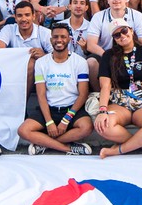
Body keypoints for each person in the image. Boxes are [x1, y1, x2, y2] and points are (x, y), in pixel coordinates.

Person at [8, 24, 95, 158]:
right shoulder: (41, 62)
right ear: (50, 40)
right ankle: (67, 148)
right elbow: (41, 95)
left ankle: (44, 143)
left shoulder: (80, 62)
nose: (59, 40)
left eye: (63, 37)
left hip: (71, 109)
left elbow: (83, 94)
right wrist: (49, 122)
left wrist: (66, 119)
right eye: (55, 37)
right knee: (23, 130)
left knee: (87, 127)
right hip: (49, 109)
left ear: (69, 39)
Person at [94, 18, 142, 158]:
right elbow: (105, 85)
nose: (122, 36)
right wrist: (103, 109)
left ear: (131, 31)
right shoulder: (108, 55)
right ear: (114, 39)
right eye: (117, 35)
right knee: (104, 126)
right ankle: (141, 145)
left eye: (124, 31)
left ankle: (117, 150)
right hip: (120, 99)